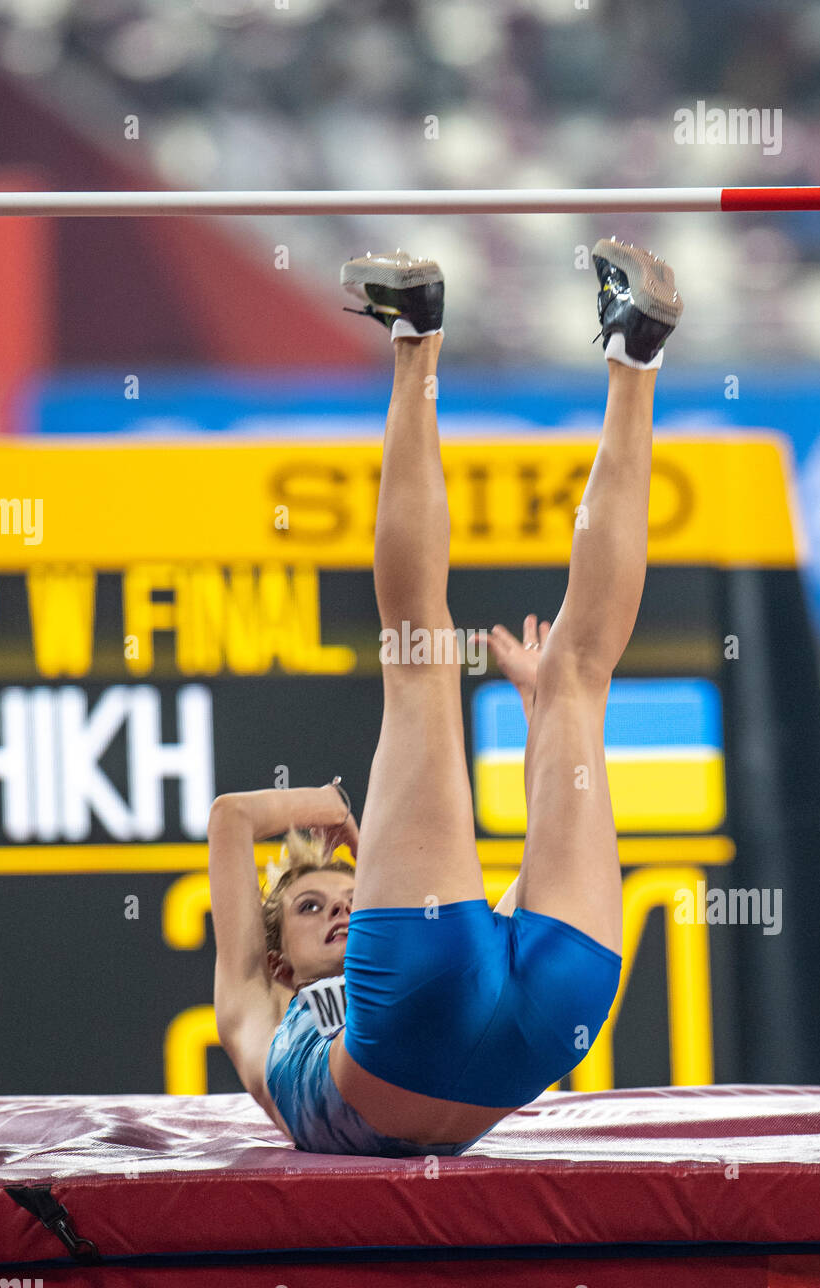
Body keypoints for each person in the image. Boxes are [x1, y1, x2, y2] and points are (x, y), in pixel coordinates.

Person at [208, 239, 683, 1156]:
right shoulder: (251, 1003)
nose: (342, 906)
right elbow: (239, 822)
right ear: (276, 963)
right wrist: (550, 734)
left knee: (429, 654)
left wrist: (349, 832)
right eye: (312, 910)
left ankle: (628, 351)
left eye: (341, 893)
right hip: (509, 1020)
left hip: (467, 1024)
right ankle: (488, 346)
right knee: (571, 682)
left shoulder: (276, 1014)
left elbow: (231, 820)